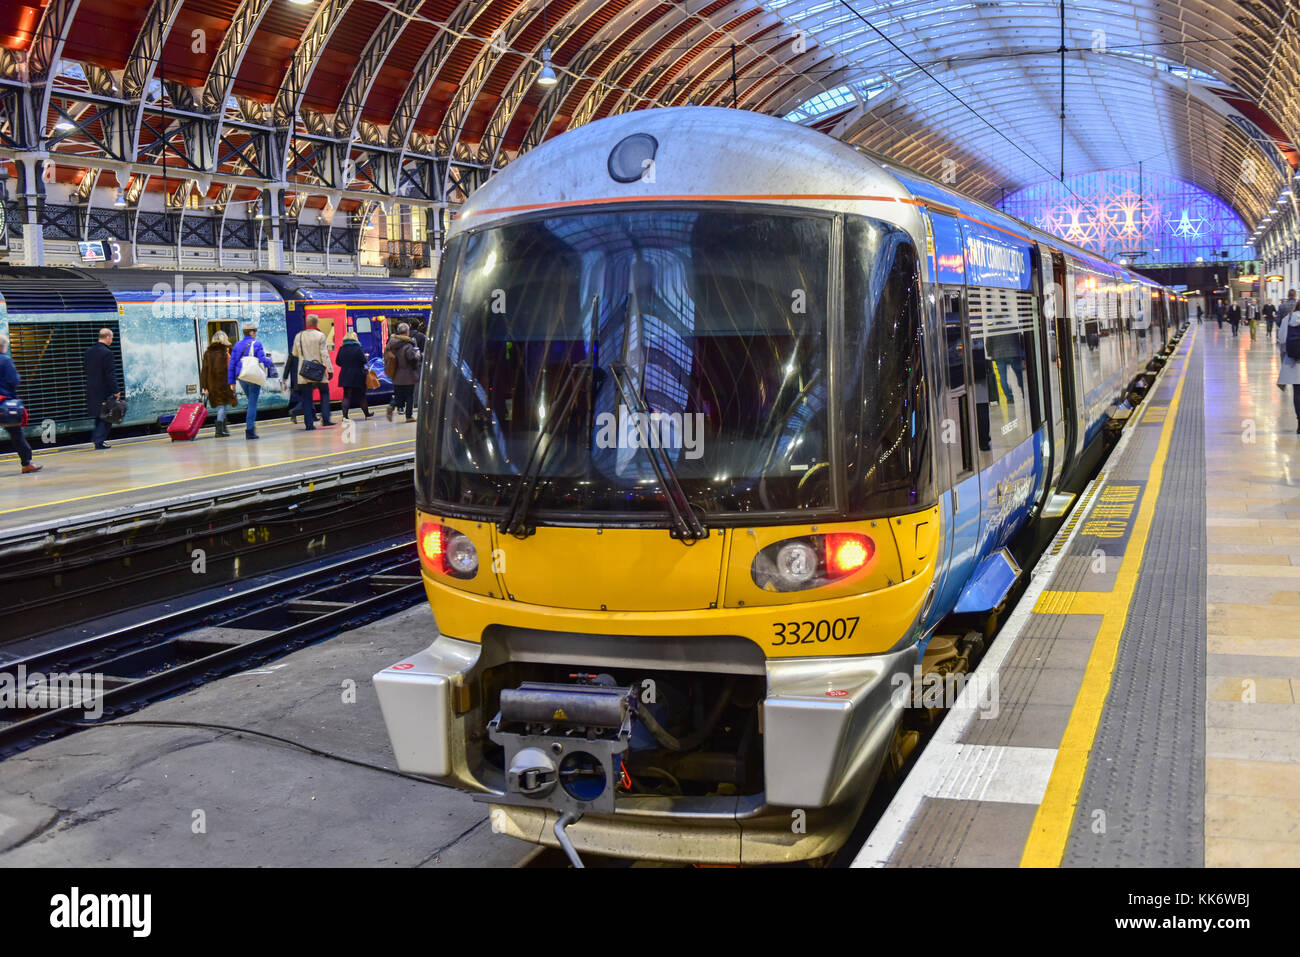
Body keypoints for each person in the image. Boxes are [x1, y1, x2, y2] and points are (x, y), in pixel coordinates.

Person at [227, 320, 276, 440]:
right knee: (252, 403)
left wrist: (231, 382)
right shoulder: (256, 344)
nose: (256, 334)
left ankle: (251, 427)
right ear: (251, 332)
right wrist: (271, 362)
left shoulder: (237, 345)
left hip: (242, 377)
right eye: (255, 332)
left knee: (250, 403)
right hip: (253, 377)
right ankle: (250, 430)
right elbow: (263, 360)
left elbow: (232, 364)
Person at [0, 332, 41, 474]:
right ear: (3, 346)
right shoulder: (5, 360)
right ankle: (26, 463)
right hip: (4, 403)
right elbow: (14, 380)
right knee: (15, 433)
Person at [292, 316, 334, 430]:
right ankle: (325, 419)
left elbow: (294, 353)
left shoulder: (298, 336)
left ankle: (309, 424)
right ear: (316, 324)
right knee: (324, 393)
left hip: (303, 372)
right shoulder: (320, 336)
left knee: (307, 398)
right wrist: (330, 370)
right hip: (318, 371)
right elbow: (324, 354)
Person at [84, 327, 119, 450]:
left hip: (91, 388)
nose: (112, 340)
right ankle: (99, 440)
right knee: (108, 416)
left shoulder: (89, 352)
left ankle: (98, 439)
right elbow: (110, 373)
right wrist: (115, 390)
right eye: (112, 338)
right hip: (104, 389)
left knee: (100, 415)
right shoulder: (107, 353)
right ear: (108, 337)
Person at [200, 330, 236, 437]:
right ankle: (219, 430)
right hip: (223, 384)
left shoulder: (208, 353)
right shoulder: (225, 353)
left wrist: (205, 387)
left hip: (212, 385)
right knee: (222, 406)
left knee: (222, 406)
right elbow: (229, 369)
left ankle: (223, 429)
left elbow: (204, 371)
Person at [384, 322, 421, 422]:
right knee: (409, 396)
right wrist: (417, 355)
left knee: (398, 396)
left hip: (396, 375)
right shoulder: (407, 345)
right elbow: (411, 358)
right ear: (407, 332)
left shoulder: (391, 344)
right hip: (408, 375)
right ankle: (409, 417)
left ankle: (392, 406)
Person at [336, 331, 372, 420]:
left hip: (345, 375)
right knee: (362, 396)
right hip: (358, 375)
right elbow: (363, 361)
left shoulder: (342, 349)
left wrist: (346, 365)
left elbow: (337, 362)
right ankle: (367, 414)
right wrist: (366, 356)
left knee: (346, 396)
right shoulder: (358, 348)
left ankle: (345, 416)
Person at [1278, 289, 1300, 433]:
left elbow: (1281, 338)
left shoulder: (1289, 317)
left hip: (1293, 362)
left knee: (1297, 393)